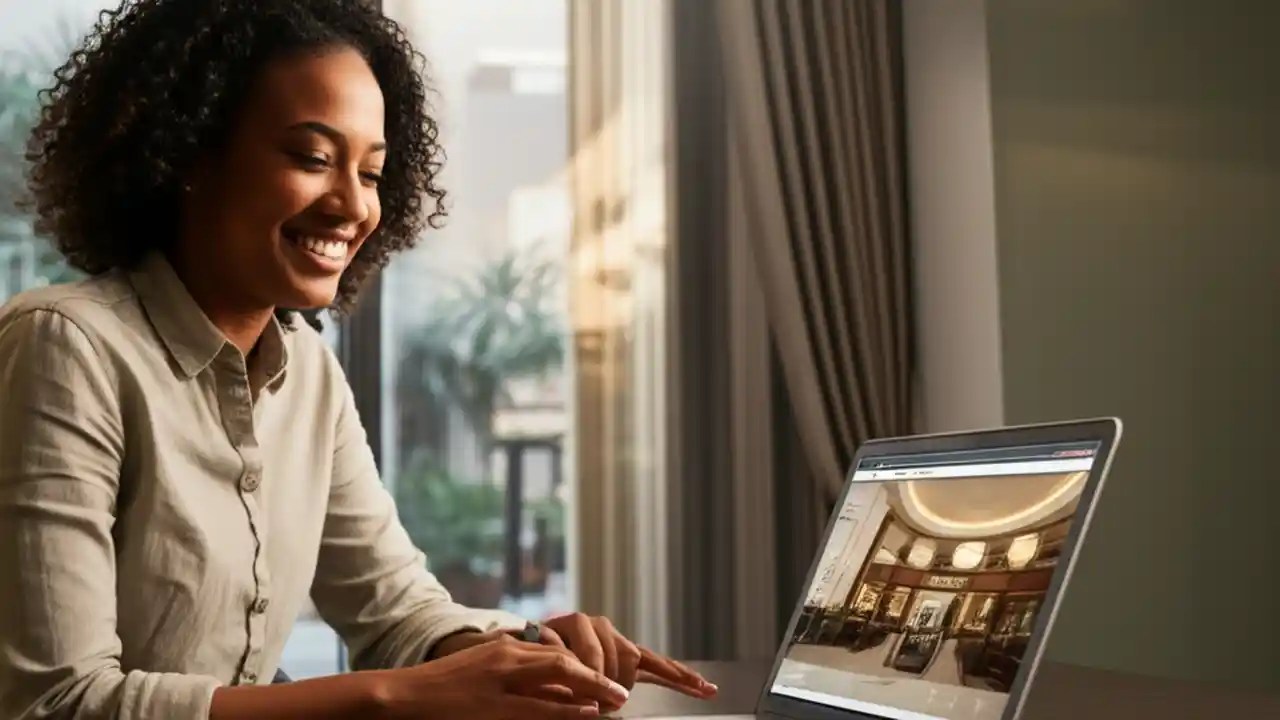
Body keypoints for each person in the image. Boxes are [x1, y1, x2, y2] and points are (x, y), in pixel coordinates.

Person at [0, 1, 717, 718]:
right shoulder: (65, 346)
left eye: (371, 173)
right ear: (190, 153)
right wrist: (393, 696)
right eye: (313, 158)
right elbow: (59, 702)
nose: (352, 205)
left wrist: (525, 648)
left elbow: (397, 614)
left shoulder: (307, 373)